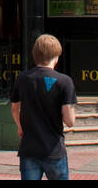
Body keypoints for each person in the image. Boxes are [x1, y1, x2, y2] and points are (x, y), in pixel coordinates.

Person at [10, 34, 78, 180]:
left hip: (29, 149)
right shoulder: (64, 81)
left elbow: (15, 108)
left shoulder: (22, 78)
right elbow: (70, 121)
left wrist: (20, 126)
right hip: (54, 150)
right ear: (56, 56)